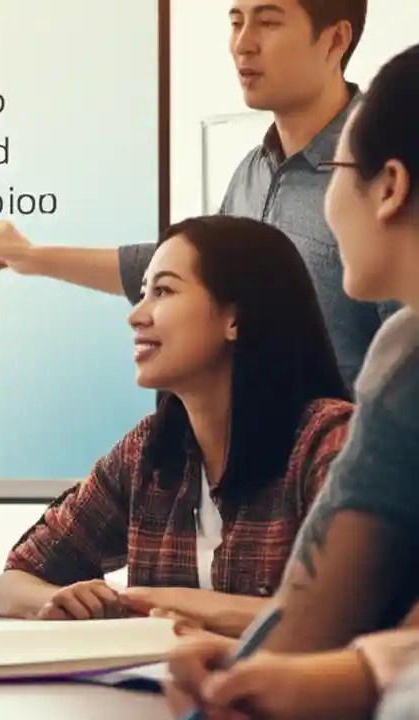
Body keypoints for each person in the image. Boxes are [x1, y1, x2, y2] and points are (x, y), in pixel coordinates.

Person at [164, 42, 419, 720]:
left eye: (335, 169)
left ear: (389, 187)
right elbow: (314, 613)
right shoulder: (403, 356)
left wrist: (353, 678)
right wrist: (252, 671)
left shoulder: (329, 426)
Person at [0, 0, 396, 389]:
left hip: (347, 471)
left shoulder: (386, 176)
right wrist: (32, 258)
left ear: (336, 39)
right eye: (236, 21)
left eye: (268, 22)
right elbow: (185, 271)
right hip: (256, 467)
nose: (243, 44)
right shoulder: (251, 172)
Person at [0, 215, 352, 638]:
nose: (136, 316)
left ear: (235, 318)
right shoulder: (145, 452)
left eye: (162, 290)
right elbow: (10, 583)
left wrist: (160, 602)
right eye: (142, 292)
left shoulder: (331, 443)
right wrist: (63, 601)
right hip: (161, 699)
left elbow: (351, 616)